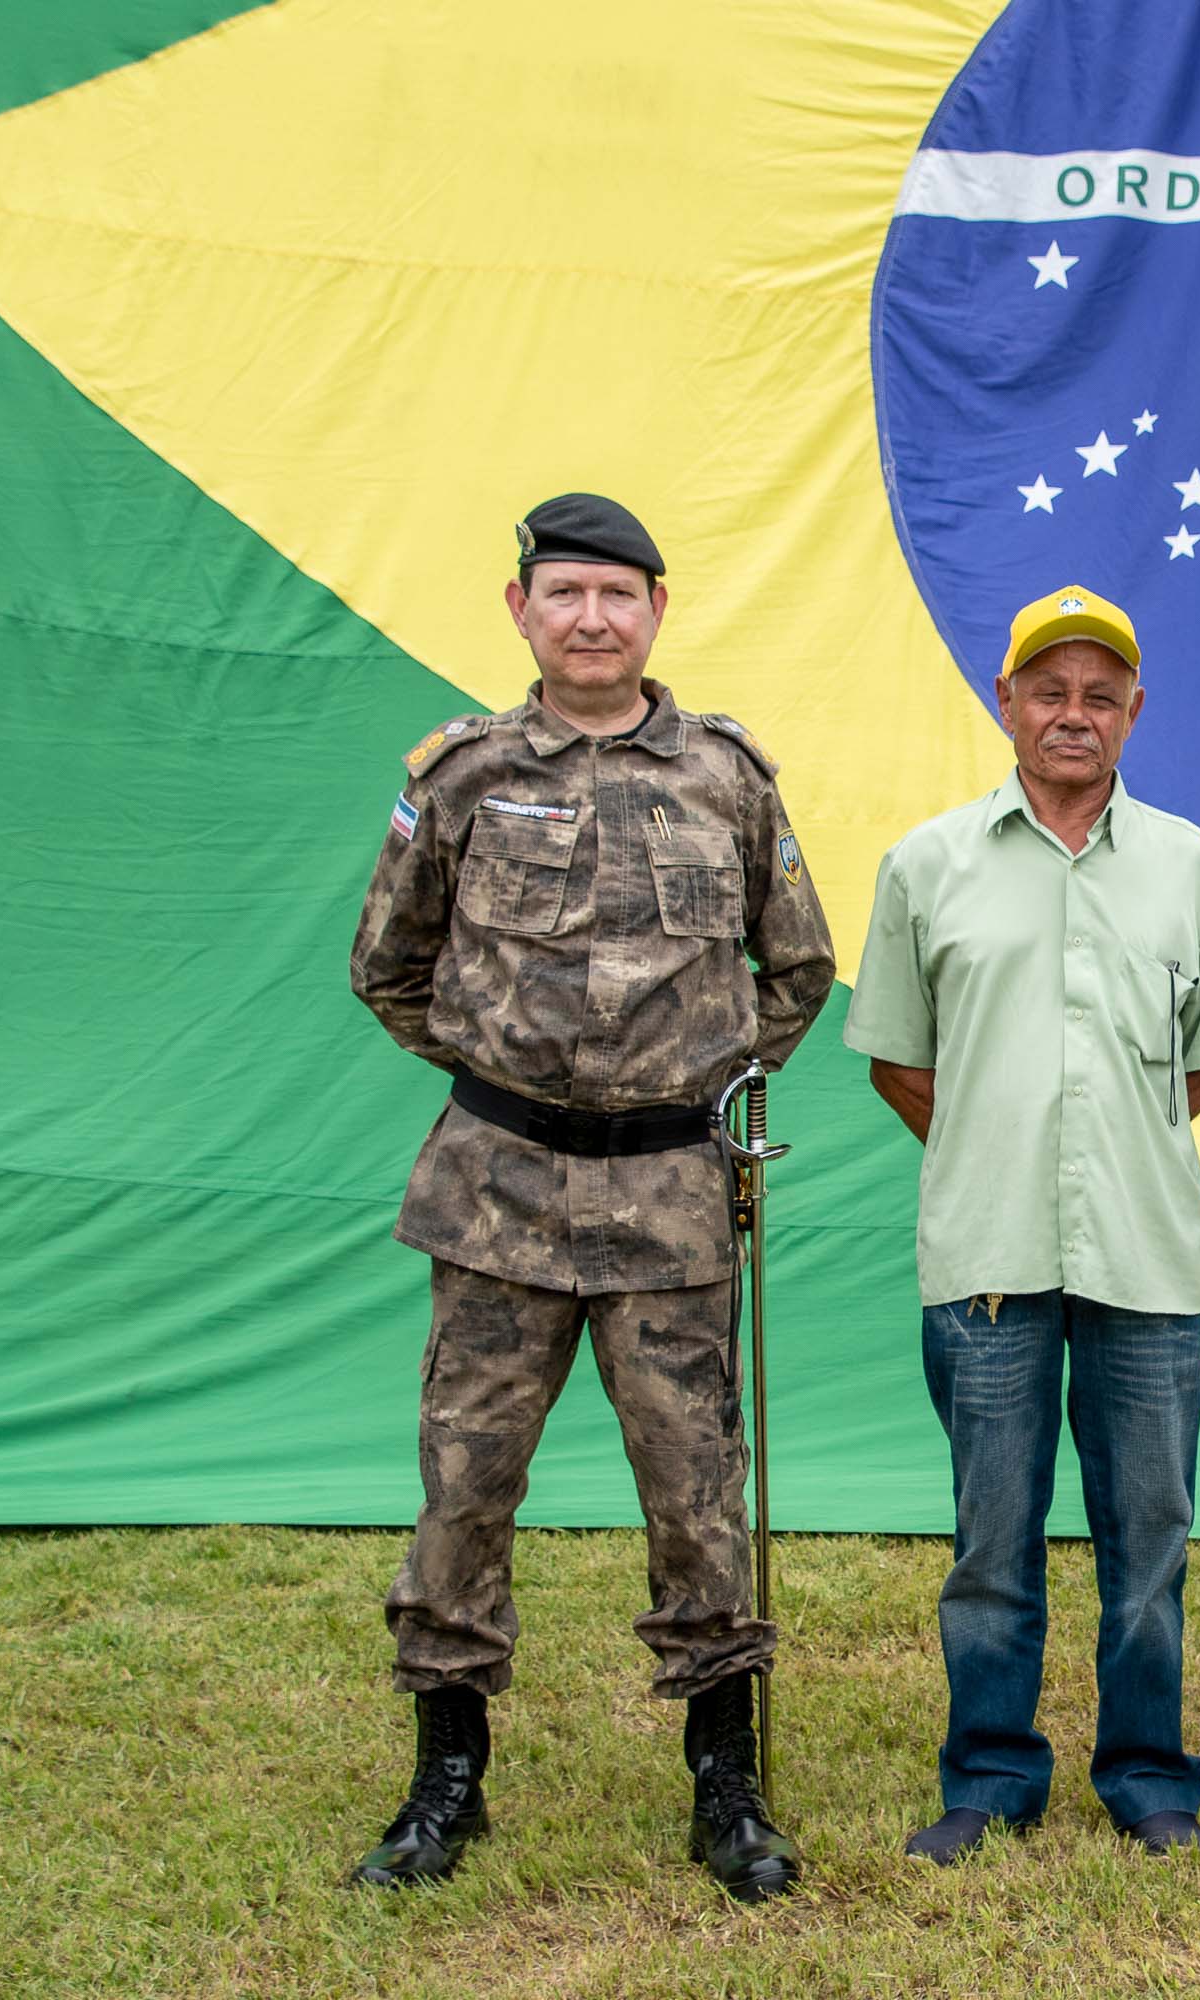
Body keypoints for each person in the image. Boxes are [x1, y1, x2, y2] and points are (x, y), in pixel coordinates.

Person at [344, 493, 832, 1900]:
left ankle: (725, 1787)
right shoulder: (462, 777)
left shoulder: (729, 780)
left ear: (657, 613)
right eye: (565, 594)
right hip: (495, 1195)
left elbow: (794, 970)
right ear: (522, 611)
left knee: (698, 1498)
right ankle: (448, 1781)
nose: (593, 618)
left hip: (671, 1202)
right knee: (466, 1489)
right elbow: (389, 965)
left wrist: (689, 1087)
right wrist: (515, 1078)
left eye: (620, 595)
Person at [842, 586, 1200, 1863]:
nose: (1073, 713)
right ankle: (991, 1774)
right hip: (985, 1257)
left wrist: (1100, 1150)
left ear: (1135, 710)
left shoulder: (1191, 865)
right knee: (989, 1544)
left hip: (1146, 1259)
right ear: (1008, 701)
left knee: (1150, 1542)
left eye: (1100, 693)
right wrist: (993, 1142)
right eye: (1048, 690)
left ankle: (1145, 1772)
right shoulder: (927, 865)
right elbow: (903, 1061)